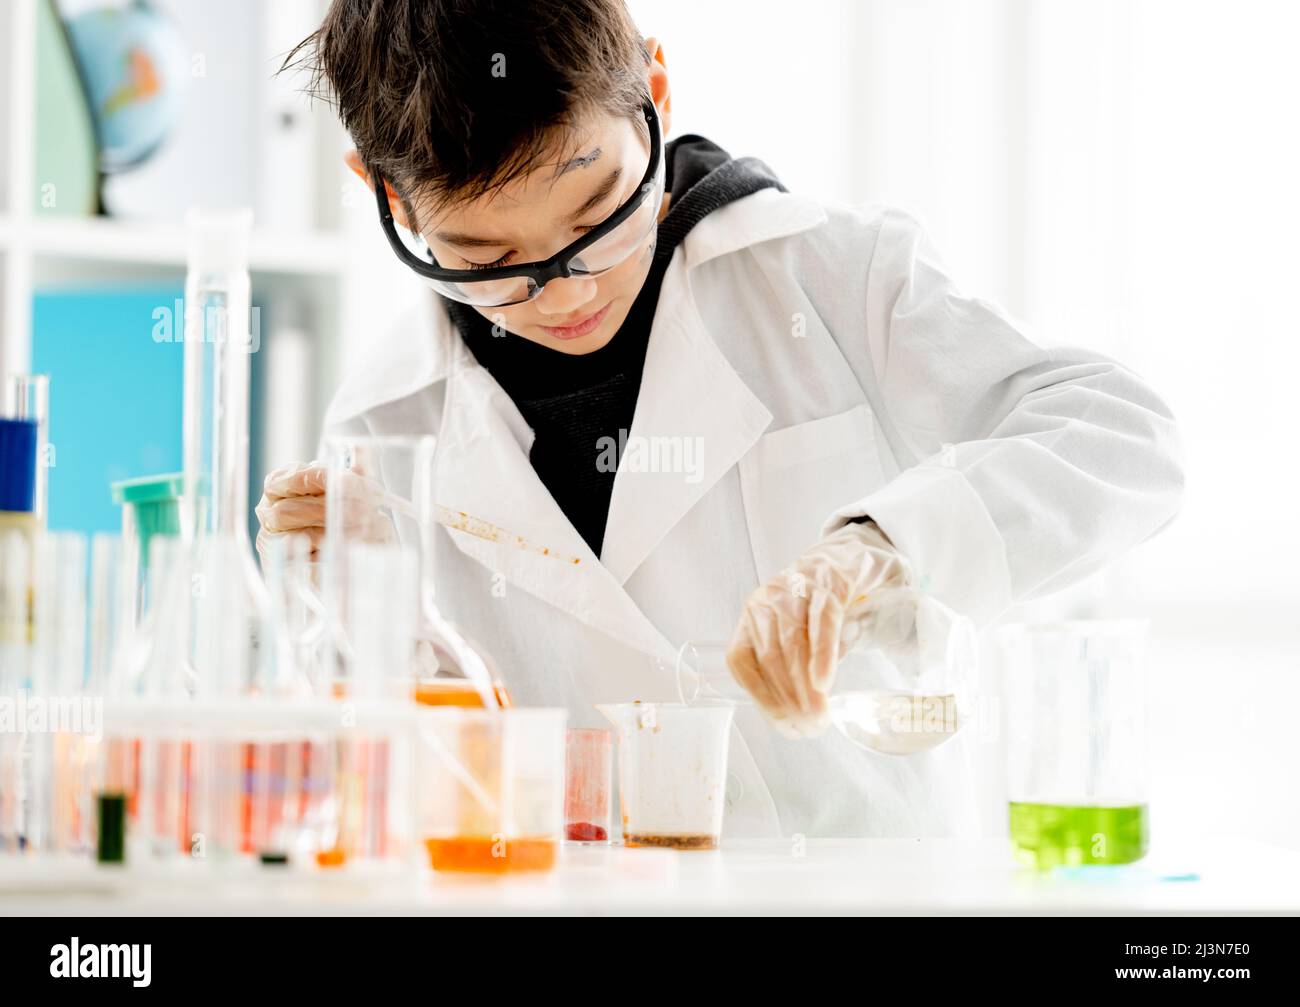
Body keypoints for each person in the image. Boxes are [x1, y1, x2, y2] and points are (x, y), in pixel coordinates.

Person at [257, 0, 1184, 837]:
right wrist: (349, 609)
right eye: (488, 254)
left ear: (653, 92)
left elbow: (1124, 437)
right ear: (387, 197)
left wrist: (884, 547)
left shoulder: (830, 277)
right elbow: (427, 787)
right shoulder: (384, 419)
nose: (562, 289)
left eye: (596, 212)